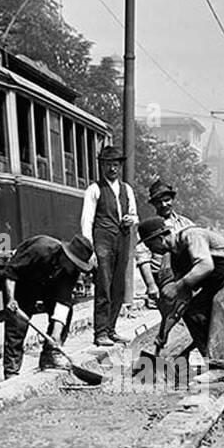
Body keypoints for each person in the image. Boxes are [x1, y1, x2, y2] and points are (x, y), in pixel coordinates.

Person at [138, 218, 224, 381]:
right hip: (220, 282)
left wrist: (176, 286)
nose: (150, 250)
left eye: (149, 245)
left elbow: (205, 265)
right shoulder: (176, 258)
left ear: (160, 239)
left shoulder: (191, 236)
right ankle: (216, 357)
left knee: (220, 303)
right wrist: (164, 331)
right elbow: (183, 300)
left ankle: (220, 365)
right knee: (193, 311)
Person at [1, 233, 95, 378]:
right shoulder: (40, 249)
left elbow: (63, 302)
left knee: (66, 314)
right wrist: (11, 299)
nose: (73, 268)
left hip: (50, 286)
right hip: (23, 282)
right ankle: (11, 371)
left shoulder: (70, 271)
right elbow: (11, 272)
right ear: (66, 255)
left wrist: (56, 335)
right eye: (73, 263)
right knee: (17, 325)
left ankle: (50, 356)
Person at [80, 145, 139, 347]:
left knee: (118, 288)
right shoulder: (94, 189)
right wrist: (90, 250)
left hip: (122, 240)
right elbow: (86, 220)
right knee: (103, 287)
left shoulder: (126, 189)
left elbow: (134, 214)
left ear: (120, 166)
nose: (112, 168)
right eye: (108, 164)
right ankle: (100, 333)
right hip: (102, 240)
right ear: (101, 166)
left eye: (115, 164)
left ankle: (111, 329)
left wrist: (131, 219)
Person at [135, 179, 195, 308]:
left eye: (167, 200)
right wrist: (151, 285)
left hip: (185, 277)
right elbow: (142, 258)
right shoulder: (149, 227)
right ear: (154, 205)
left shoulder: (186, 223)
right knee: (170, 316)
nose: (164, 205)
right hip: (161, 280)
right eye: (158, 202)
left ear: (172, 199)